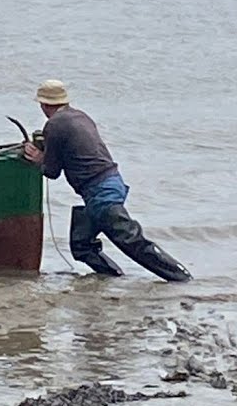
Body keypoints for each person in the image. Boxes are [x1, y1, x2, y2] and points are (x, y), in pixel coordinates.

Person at [19, 79, 192, 282]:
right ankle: (114, 278)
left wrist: (38, 158)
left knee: (132, 241)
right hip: (110, 183)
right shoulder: (80, 116)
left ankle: (181, 279)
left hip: (100, 193)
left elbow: (52, 171)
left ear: (44, 104)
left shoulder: (54, 125)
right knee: (81, 245)